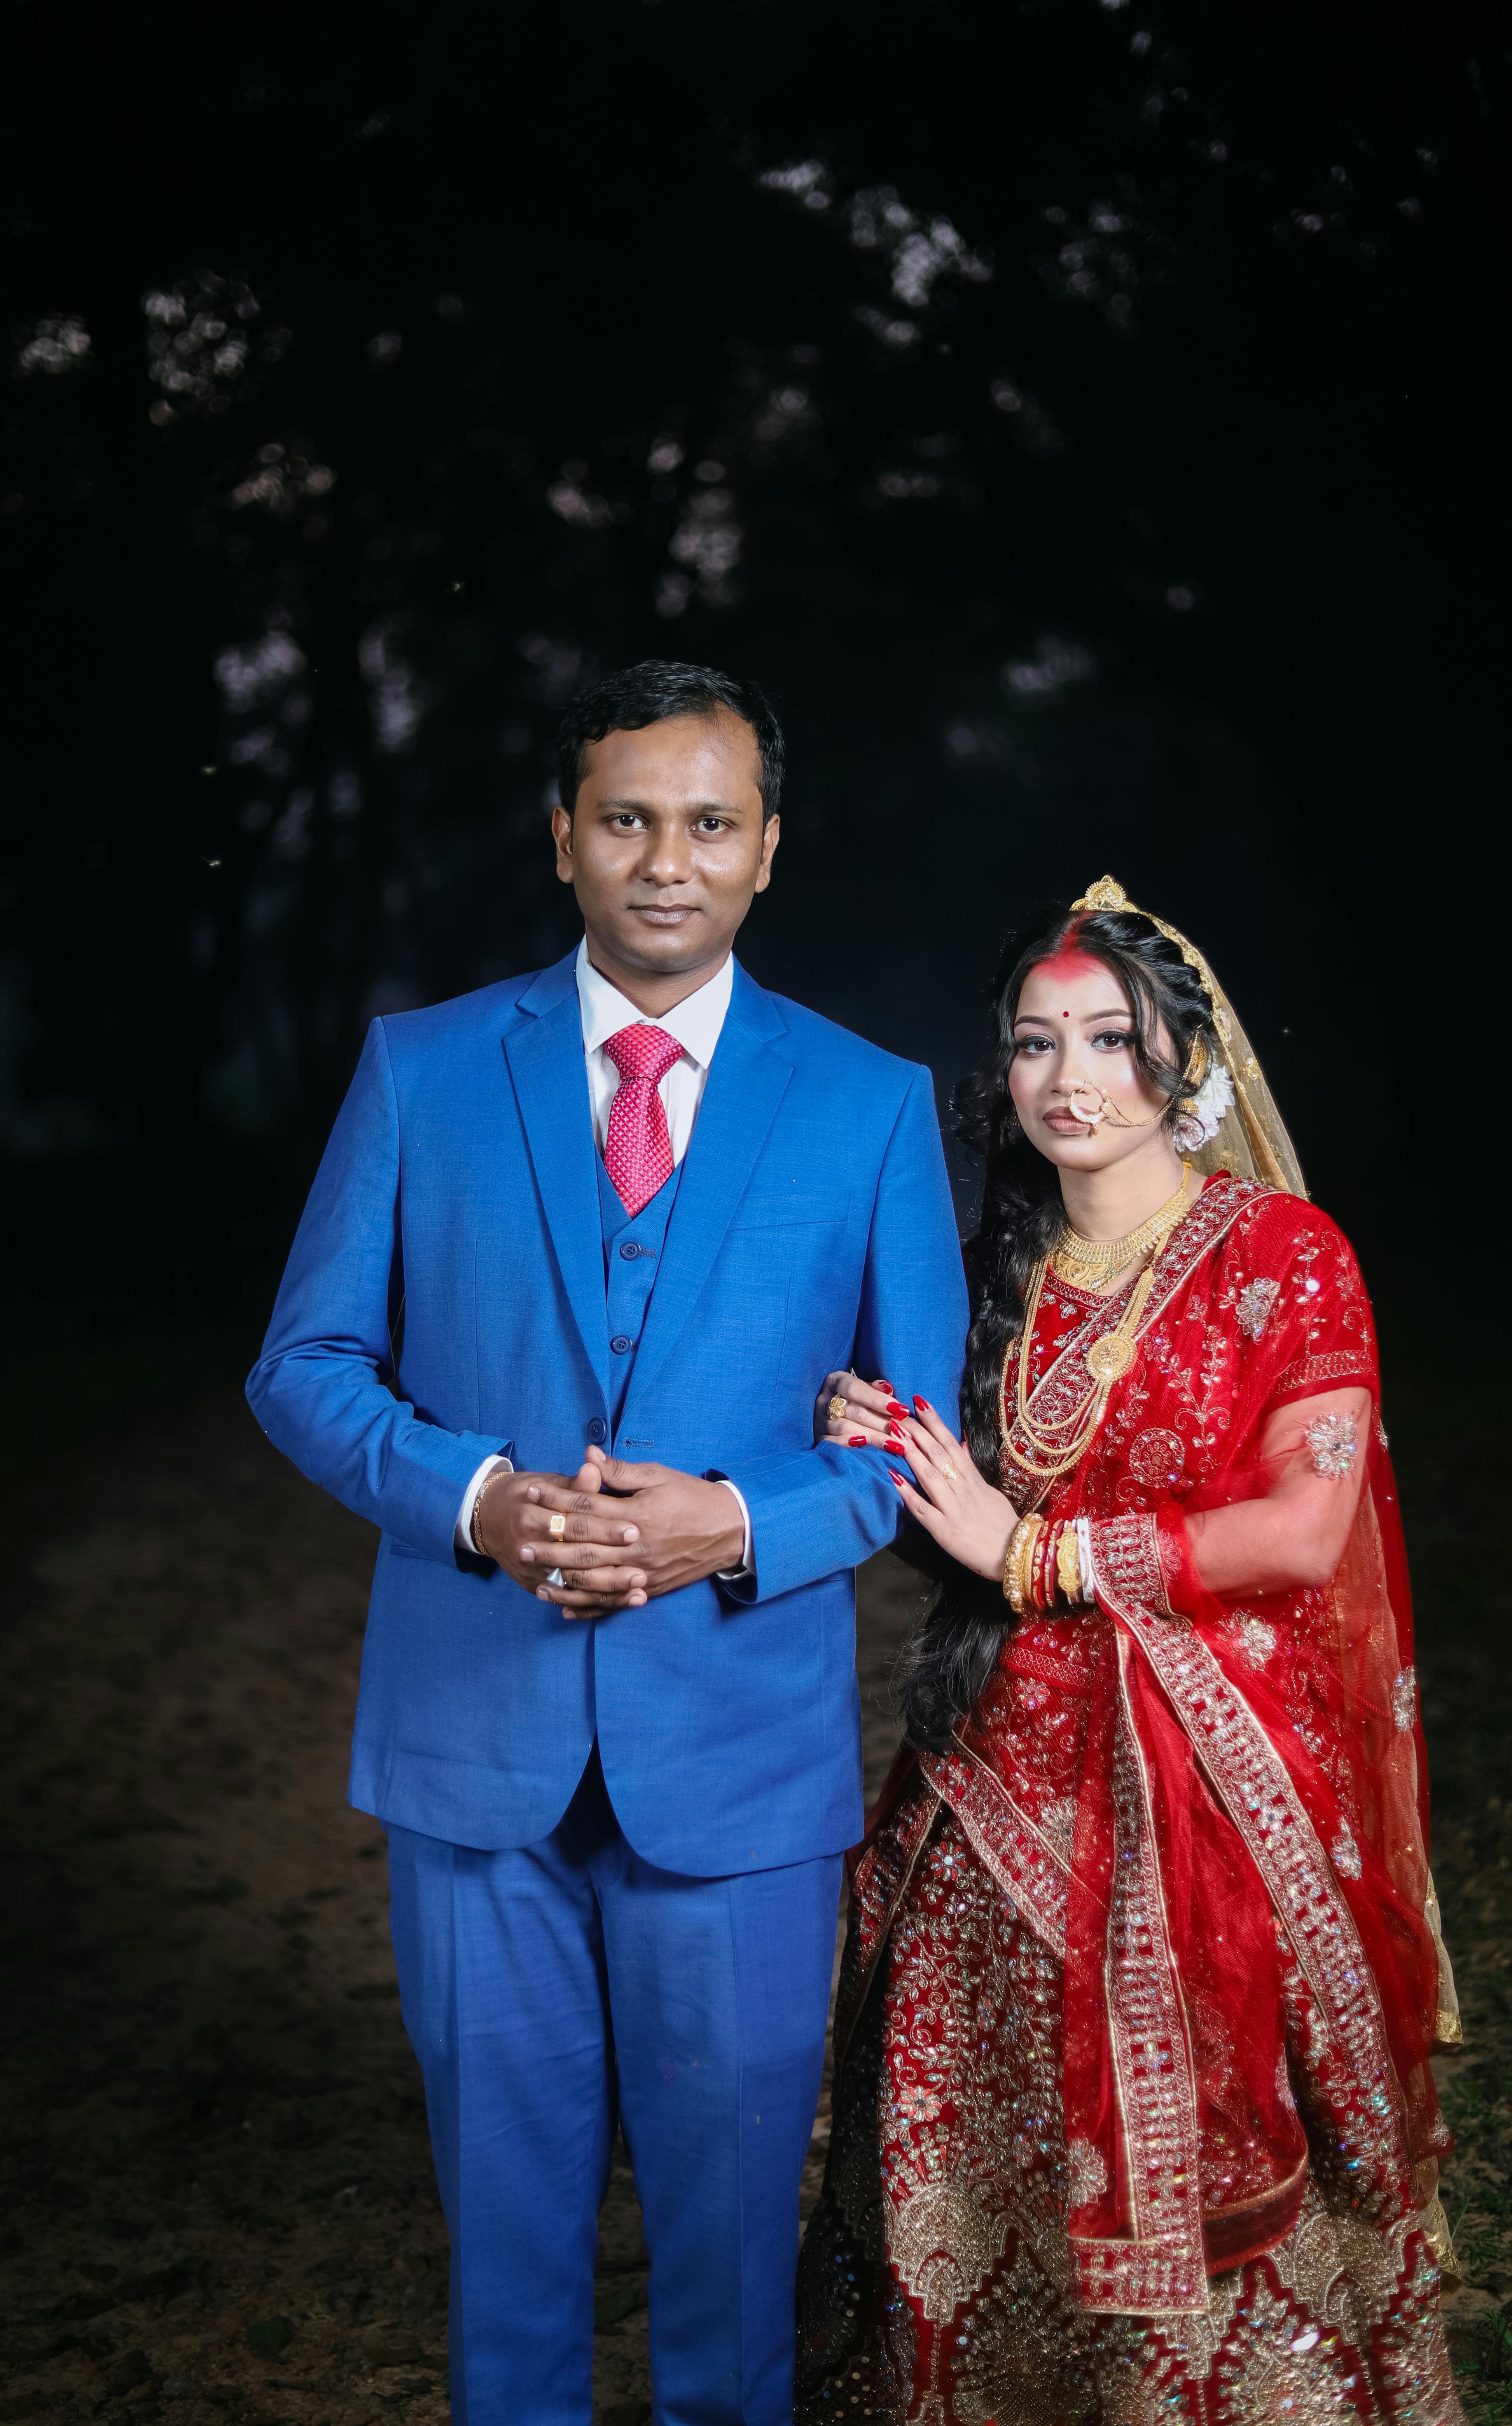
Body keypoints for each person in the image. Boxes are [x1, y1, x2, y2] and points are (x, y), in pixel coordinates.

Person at [245, 661, 968, 2426]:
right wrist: (478, 1499)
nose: (666, 860)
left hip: (737, 1755)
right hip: (471, 1741)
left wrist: (740, 1519)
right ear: (561, 836)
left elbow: (912, 1440)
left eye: (710, 823)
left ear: (768, 849)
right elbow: (303, 1366)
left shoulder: (870, 1102)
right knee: (504, 2266)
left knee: (731, 2269)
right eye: (627, 818)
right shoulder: (423, 1070)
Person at [797, 876, 1463, 2423]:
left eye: (1111, 1038)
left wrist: (1037, 1555)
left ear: (1188, 1062)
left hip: (1206, 1798)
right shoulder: (987, 1269)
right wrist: (873, 1442)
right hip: (980, 1785)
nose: (1069, 1077)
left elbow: (1304, 1528)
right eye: (1036, 1043)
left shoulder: (1283, 1255)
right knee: (963, 2128)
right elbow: (954, 1523)